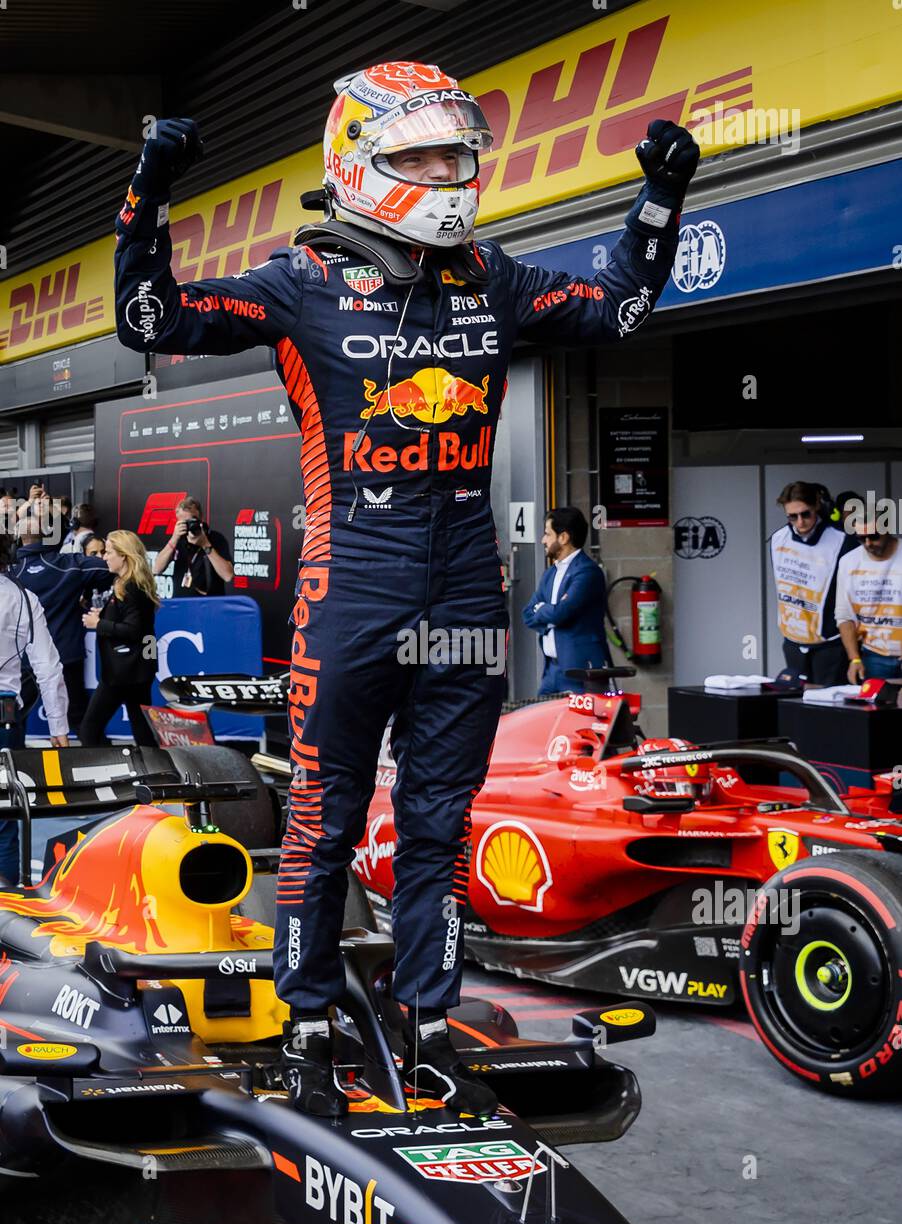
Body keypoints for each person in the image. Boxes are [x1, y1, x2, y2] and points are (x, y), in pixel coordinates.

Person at [113, 69, 699, 1117]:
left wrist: (656, 202)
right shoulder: (297, 283)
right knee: (322, 818)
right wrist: (150, 188)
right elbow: (146, 314)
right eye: (419, 156)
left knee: (437, 818)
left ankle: (429, 1016)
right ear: (358, 163)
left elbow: (617, 310)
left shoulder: (496, 276)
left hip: (468, 597)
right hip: (352, 594)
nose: (445, 174)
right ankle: (302, 1021)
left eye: (454, 154)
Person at [0, 534, 69, 883]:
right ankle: (7, 910)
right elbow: (48, 667)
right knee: (4, 816)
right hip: (5, 718)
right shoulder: (23, 600)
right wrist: (58, 727)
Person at [11, 517, 107, 731]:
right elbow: (106, 568)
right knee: (78, 718)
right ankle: (90, 761)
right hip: (65, 654)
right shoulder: (68, 564)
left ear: (17, 539)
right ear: (46, 536)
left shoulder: (10, 573)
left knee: (14, 717)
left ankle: (13, 760)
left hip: (24, 659)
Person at [80, 531, 160, 747]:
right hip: (132, 669)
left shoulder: (133, 586)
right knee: (141, 729)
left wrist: (99, 624)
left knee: (89, 730)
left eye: (109, 552)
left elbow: (134, 630)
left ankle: (105, 772)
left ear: (124, 555)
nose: (104, 557)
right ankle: (157, 773)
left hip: (125, 672)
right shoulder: (129, 584)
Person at [770, 481, 854, 686]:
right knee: (797, 705)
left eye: (805, 514)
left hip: (829, 643)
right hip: (793, 639)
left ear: (816, 505)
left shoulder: (842, 540)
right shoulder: (778, 538)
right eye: (792, 516)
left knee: (828, 705)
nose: (800, 522)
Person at [523, 507, 611, 694]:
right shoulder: (550, 573)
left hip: (581, 673)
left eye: (547, 534)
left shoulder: (587, 572)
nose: (543, 540)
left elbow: (560, 613)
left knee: (580, 723)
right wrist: (548, 615)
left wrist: (545, 611)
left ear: (563, 538)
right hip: (551, 672)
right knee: (540, 720)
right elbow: (527, 614)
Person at [836, 524, 902, 681]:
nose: (868, 543)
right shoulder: (848, 562)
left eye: (873, 536)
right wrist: (855, 659)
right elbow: (844, 615)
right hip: (874, 655)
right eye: (861, 538)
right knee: (878, 704)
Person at [152, 497, 233, 596]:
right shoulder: (178, 539)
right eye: (184, 523)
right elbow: (156, 569)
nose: (190, 526)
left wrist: (206, 545)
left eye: (192, 521)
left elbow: (228, 576)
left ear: (201, 519)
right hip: (182, 605)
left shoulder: (215, 538)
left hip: (210, 604)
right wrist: (174, 539)